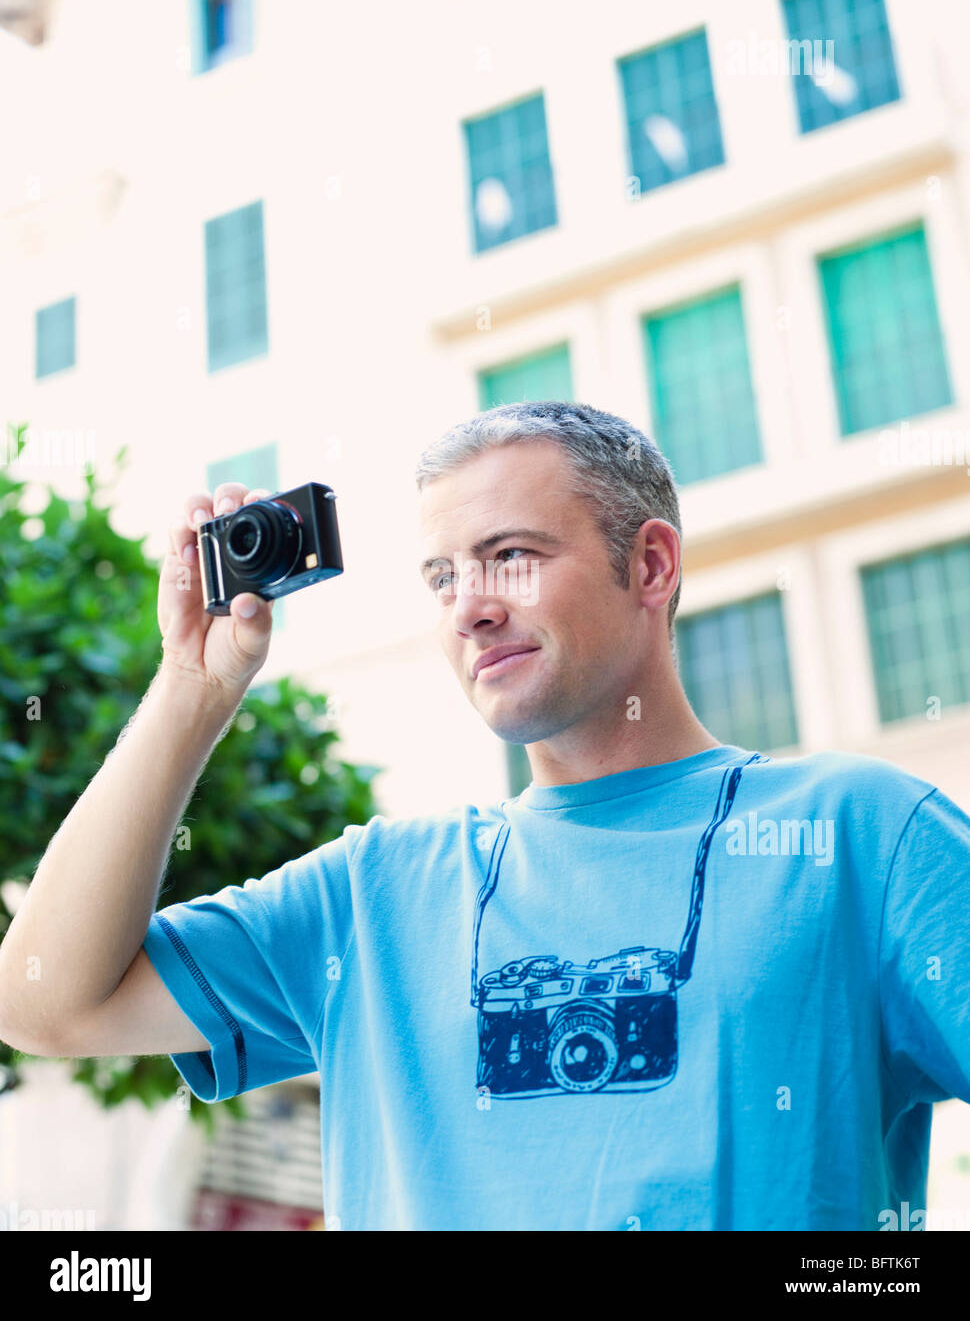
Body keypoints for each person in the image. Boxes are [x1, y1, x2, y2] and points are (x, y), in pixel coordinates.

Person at [1, 400, 968, 1232]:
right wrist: (189, 689)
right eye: (442, 577)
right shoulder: (369, 895)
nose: (469, 608)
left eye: (510, 557)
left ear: (653, 565)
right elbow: (46, 1002)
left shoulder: (861, 837)